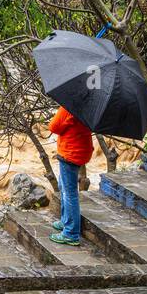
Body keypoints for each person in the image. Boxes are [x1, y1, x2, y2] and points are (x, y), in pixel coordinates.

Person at [47, 105, 93, 246]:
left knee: (69, 193)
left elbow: (53, 127)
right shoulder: (90, 106)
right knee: (63, 186)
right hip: (82, 149)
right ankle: (66, 220)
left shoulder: (69, 106)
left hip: (70, 152)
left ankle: (71, 233)